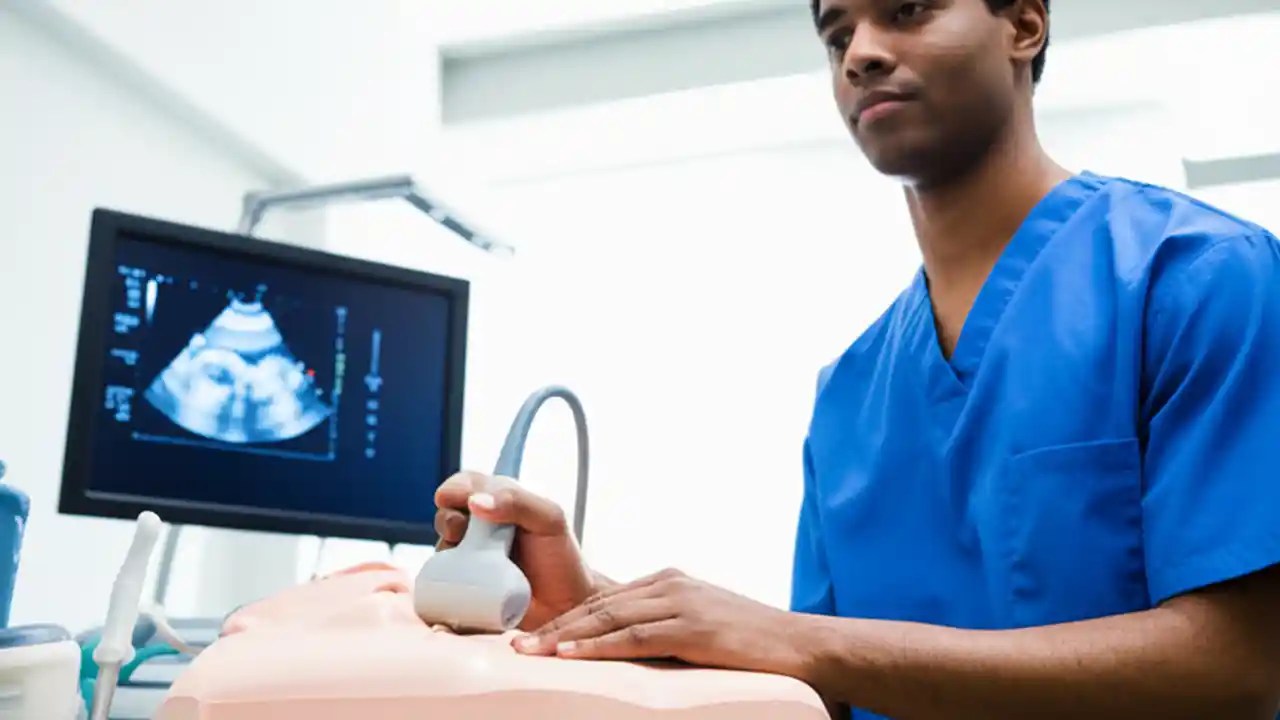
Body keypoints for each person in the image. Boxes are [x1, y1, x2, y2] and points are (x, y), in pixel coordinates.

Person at [434, 0, 1280, 717]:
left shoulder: (1197, 278)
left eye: (908, 9)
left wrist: (801, 640)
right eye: (838, 36)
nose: (863, 54)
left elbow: (1240, 666)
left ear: (1023, 25)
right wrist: (594, 612)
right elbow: (822, 690)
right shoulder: (851, 392)